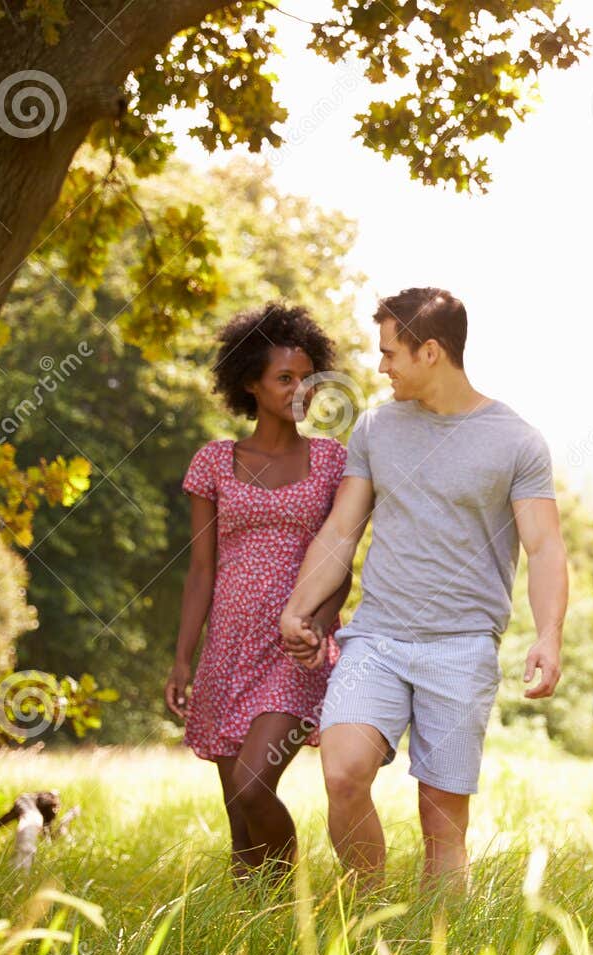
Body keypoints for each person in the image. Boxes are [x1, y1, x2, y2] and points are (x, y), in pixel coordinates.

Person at [279, 287, 568, 894]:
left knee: (443, 823)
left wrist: (549, 636)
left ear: (430, 351)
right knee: (343, 773)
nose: (381, 367)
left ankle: (437, 950)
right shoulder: (377, 428)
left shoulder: (516, 440)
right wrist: (299, 606)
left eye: (391, 354)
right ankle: (370, 903)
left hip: (462, 647)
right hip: (376, 639)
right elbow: (342, 529)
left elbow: (543, 547)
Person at [168, 302, 351, 882]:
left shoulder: (331, 461)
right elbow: (201, 570)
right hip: (227, 650)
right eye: (284, 378)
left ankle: (294, 904)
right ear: (250, 382)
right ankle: (258, 940)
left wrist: (320, 621)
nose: (300, 390)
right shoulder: (215, 462)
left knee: (252, 785)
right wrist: (181, 659)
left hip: (295, 647)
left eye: (307, 378)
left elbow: (340, 559)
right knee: (240, 827)